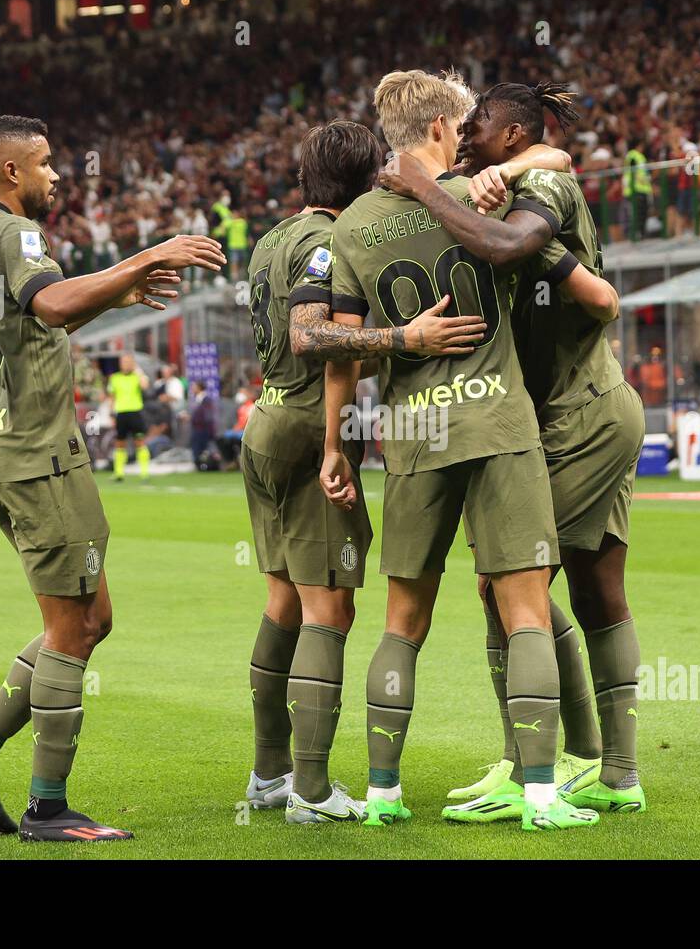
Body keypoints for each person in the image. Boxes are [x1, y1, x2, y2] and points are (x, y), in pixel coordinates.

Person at [305, 70, 613, 832]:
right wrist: (505, 169)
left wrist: (340, 437)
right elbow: (560, 162)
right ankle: (542, 794)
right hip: (497, 422)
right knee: (526, 612)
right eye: (463, 120)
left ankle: (380, 794)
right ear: (443, 125)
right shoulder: (482, 199)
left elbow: (334, 347)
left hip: (411, 428)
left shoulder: (350, 228)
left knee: (402, 621)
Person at [0, 114, 225, 843]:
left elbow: (34, 326)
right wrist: (145, 256)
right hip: (38, 456)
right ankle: (48, 807)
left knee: (92, 620)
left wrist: (111, 295)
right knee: (70, 632)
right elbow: (53, 304)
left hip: (4, 449)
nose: (57, 174)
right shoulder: (20, 234)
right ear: (11, 173)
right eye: (46, 162)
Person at [380, 79, 646, 819]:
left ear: (517, 132)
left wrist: (425, 185)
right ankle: (609, 769)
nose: (467, 134)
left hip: (579, 414)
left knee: (509, 584)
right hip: (571, 410)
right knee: (592, 591)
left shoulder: (542, 190)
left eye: (483, 124)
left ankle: (538, 762)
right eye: (461, 125)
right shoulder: (516, 176)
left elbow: (505, 243)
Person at [242, 120, 482, 824]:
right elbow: (310, 335)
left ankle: (268, 773)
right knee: (331, 610)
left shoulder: (272, 238)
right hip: (311, 426)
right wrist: (403, 338)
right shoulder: (327, 240)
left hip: (265, 419)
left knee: (284, 602)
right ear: (362, 177)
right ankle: (310, 792)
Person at [107, 354, 150, 481]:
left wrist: (137, 369)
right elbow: (112, 397)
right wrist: (111, 414)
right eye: (123, 361)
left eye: (128, 362)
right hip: (121, 414)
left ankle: (144, 472)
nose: (125, 364)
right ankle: (119, 473)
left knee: (140, 442)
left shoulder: (137, 376)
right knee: (120, 443)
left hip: (135, 412)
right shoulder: (115, 378)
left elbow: (145, 386)